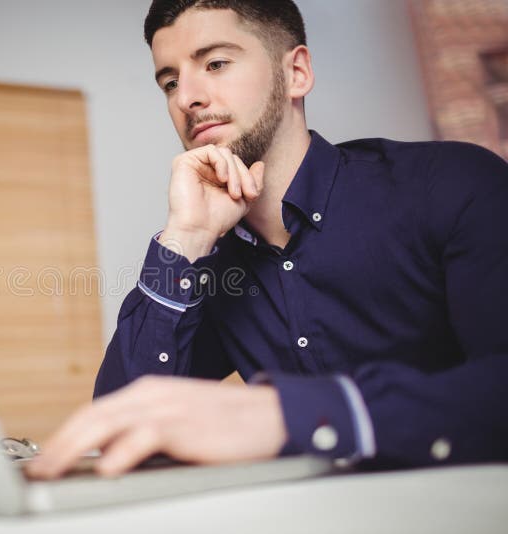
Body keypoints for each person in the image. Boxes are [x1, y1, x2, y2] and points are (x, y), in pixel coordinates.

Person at [26, 0, 508, 479]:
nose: (186, 97)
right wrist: (184, 239)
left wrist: (286, 414)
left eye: (215, 63)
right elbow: (121, 425)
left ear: (297, 72)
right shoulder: (210, 269)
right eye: (170, 81)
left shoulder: (452, 184)